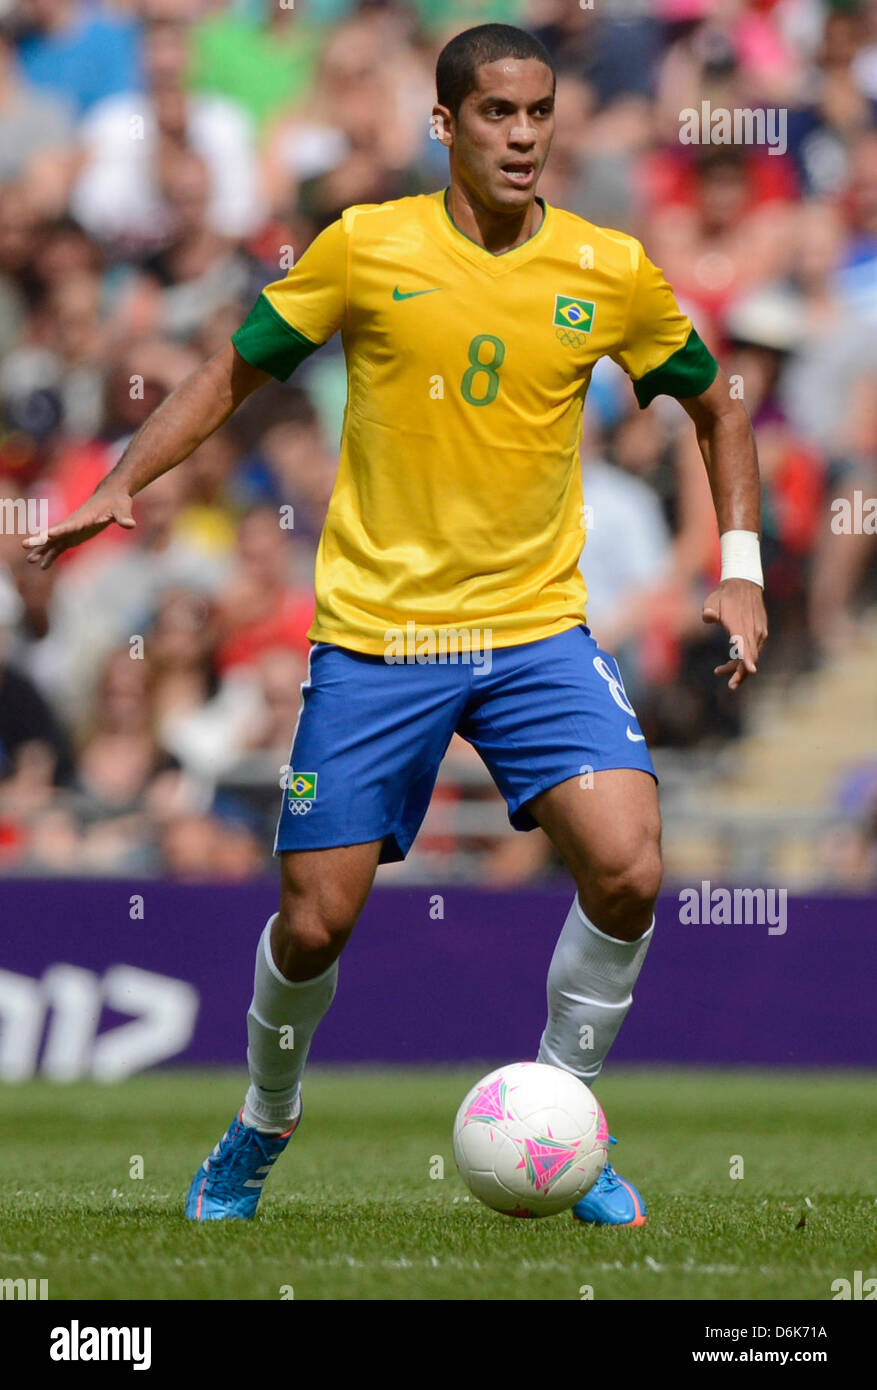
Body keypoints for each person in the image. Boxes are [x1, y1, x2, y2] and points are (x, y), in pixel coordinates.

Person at [25, 24, 768, 1229]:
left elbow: (716, 405)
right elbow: (234, 368)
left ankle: (564, 1108)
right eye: (495, 115)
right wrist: (127, 474)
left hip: (535, 631)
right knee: (315, 922)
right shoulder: (367, 247)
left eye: (537, 114)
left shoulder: (607, 267)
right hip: (379, 634)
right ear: (445, 126)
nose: (522, 136)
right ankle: (263, 1120)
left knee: (629, 863)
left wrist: (738, 567)